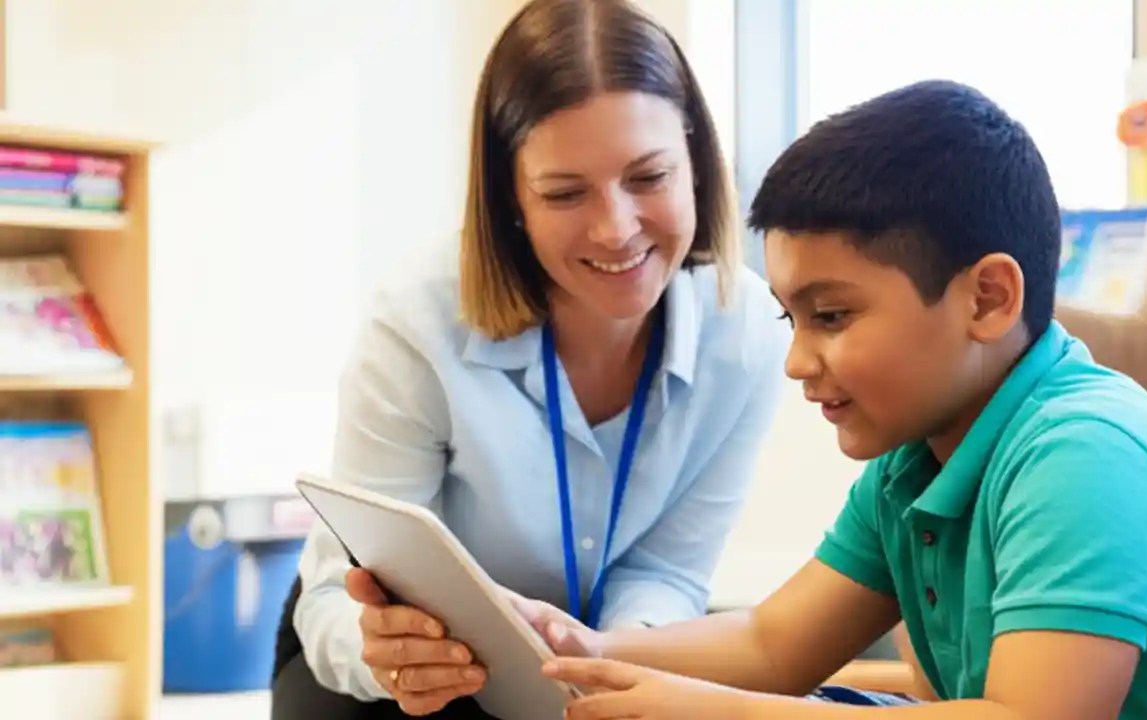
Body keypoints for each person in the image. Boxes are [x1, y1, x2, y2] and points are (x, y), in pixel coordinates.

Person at [516, 80, 1147, 719]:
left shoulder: (1083, 451)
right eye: (792, 317)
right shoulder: (912, 464)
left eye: (833, 316)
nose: (795, 360)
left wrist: (721, 710)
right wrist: (587, 648)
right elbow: (772, 644)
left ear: (987, 298)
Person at [272, 1, 790, 718]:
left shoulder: (751, 335)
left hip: (593, 657)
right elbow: (334, 597)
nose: (616, 229)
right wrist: (387, 655)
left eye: (648, 178)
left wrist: (608, 654)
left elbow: (667, 570)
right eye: (565, 193)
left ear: (697, 163)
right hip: (410, 665)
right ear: (511, 199)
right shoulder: (419, 320)